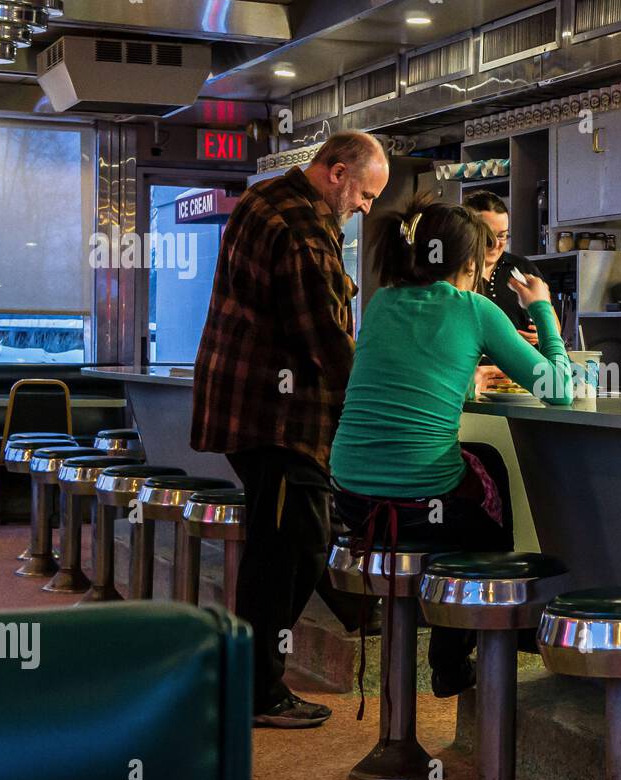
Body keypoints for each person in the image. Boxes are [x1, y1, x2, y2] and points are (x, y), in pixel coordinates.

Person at [330, 194, 573, 697]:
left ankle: (458, 641)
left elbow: (428, 374)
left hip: (350, 496)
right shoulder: (475, 309)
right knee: (488, 497)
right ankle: (462, 642)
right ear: (467, 260)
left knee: (482, 461)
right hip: (418, 501)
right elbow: (560, 390)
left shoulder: (380, 303)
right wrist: (543, 309)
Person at [192, 131, 390, 729]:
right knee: (287, 554)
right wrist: (372, 399)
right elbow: (325, 339)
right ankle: (258, 692)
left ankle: (253, 679)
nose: (366, 208)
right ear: (335, 172)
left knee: (286, 546)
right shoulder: (302, 229)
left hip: (253, 410)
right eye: (365, 194)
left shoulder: (268, 199)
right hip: (277, 417)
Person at [463, 190, 554, 344]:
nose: (497, 244)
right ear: (466, 231)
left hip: (524, 366)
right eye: (488, 236)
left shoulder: (522, 268)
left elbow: (553, 324)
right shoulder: (454, 275)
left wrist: (545, 332)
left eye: (502, 235)